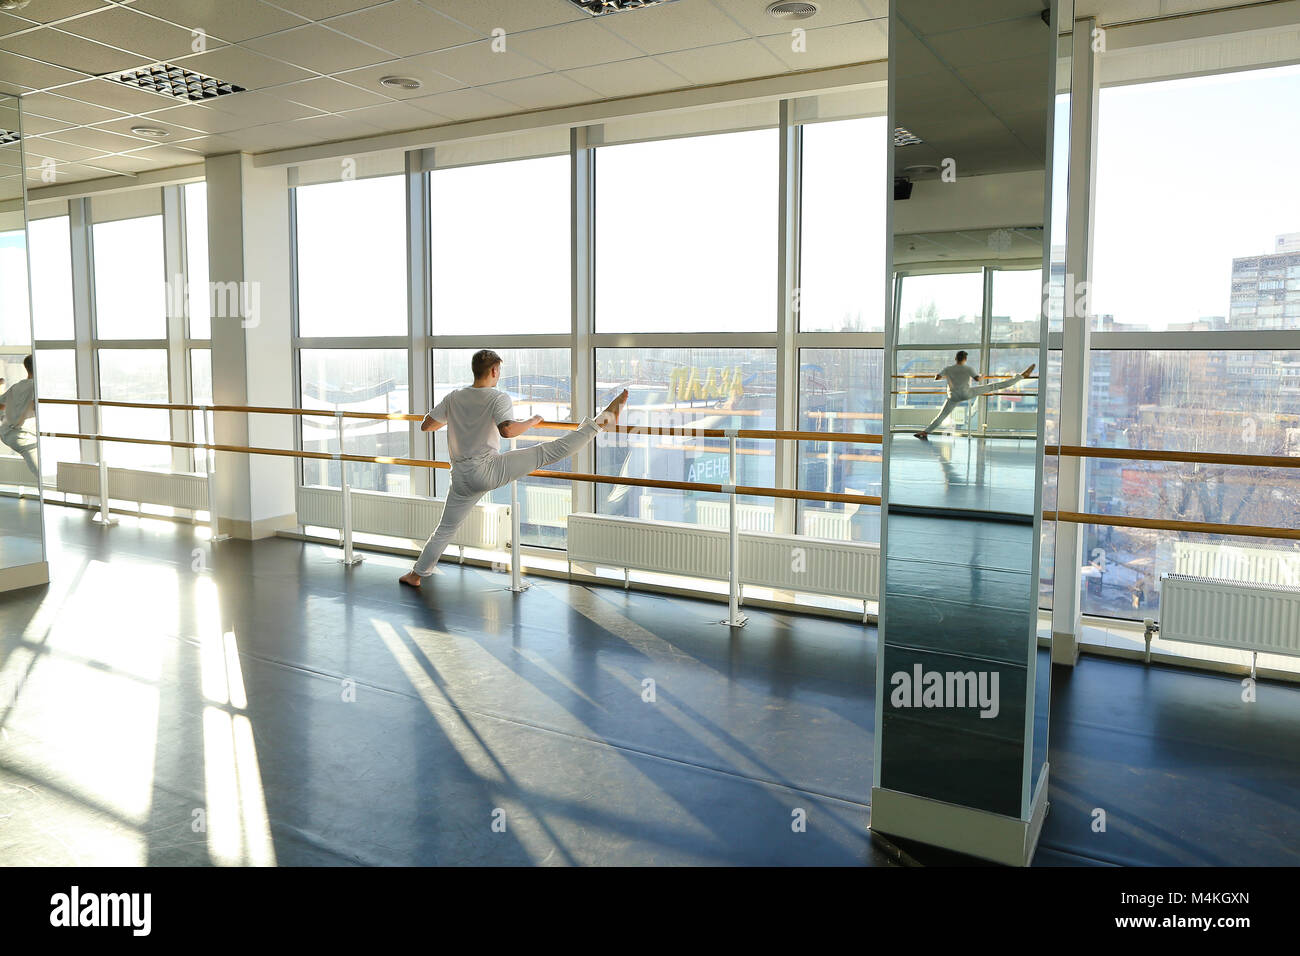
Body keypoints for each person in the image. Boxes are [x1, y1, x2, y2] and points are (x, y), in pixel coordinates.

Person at [399, 349, 627, 589]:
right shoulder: (498, 398)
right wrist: (532, 421)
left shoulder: (454, 397)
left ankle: (415, 575)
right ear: (495, 370)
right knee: (547, 452)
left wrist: (458, 416)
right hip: (488, 469)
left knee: (444, 530)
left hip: (460, 476)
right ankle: (601, 421)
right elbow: (507, 430)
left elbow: (427, 425)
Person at [913, 351, 1035, 439]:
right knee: (994, 386)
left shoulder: (948, 368)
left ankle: (925, 432)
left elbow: (937, 378)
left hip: (953, 396)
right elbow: (977, 379)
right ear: (964, 359)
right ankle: (1021, 376)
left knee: (942, 415)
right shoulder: (968, 368)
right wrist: (982, 376)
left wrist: (946, 375)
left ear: (956, 358)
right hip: (967, 393)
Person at [0, 355, 39, 478]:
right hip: (23, 436)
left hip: (6, 434)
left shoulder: (17, 386)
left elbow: (1, 404)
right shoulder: (36, 387)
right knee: (42, 476)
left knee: (41, 474)